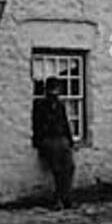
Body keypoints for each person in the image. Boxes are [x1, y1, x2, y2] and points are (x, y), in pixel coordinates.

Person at [32, 76, 75, 209]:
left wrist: (70, 139)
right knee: (57, 169)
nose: (55, 93)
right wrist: (39, 141)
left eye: (57, 90)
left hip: (61, 138)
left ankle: (65, 196)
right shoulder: (41, 105)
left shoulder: (60, 105)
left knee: (70, 167)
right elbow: (37, 124)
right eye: (53, 90)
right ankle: (58, 199)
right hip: (49, 138)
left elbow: (65, 122)